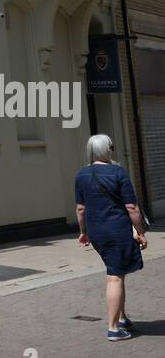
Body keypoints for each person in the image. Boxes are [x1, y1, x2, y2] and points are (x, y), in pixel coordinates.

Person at [75, 133, 147, 341]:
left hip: (97, 232)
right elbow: (132, 207)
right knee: (115, 276)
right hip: (117, 230)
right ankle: (114, 328)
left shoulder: (81, 175)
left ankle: (122, 318)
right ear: (107, 150)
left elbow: (80, 209)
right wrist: (140, 231)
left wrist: (83, 232)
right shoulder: (118, 173)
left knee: (117, 271)